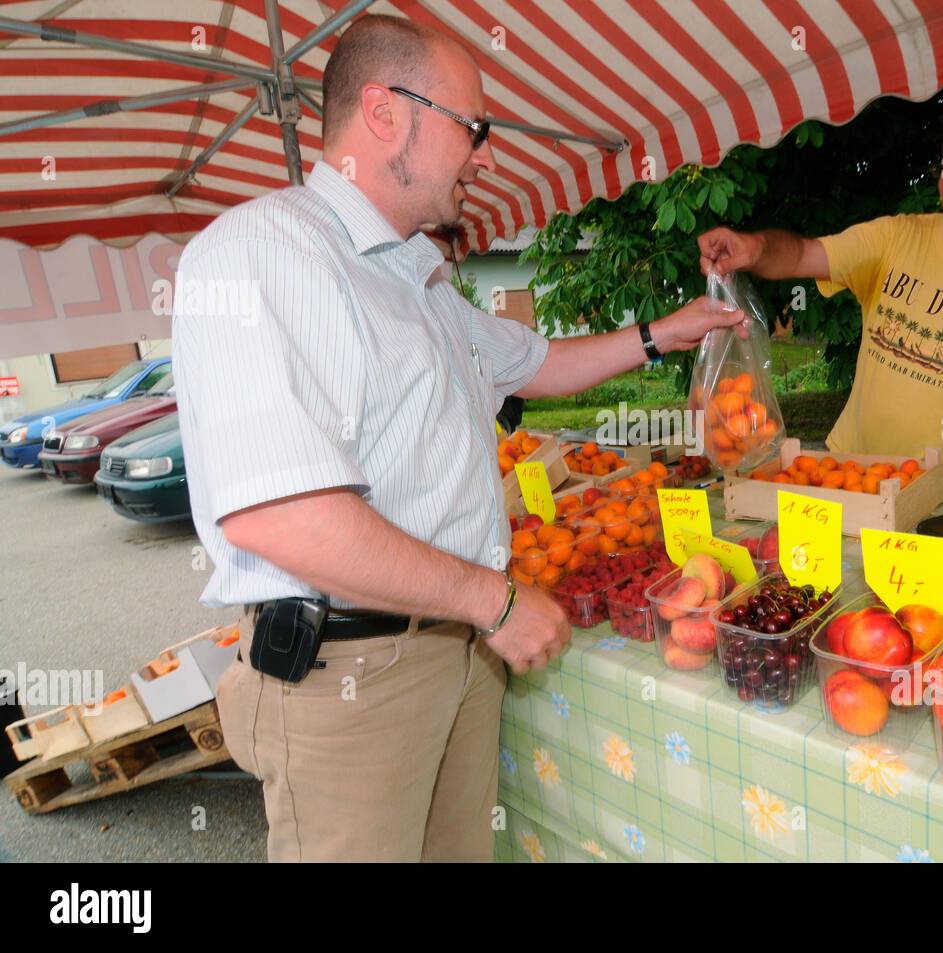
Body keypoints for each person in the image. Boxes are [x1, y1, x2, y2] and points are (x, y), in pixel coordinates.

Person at [172, 15, 742, 863]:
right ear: (384, 111)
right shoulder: (262, 254)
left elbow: (540, 363)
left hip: (456, 653)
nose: (486, 155)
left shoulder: (420, 282)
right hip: (351, 677)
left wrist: (669, 331)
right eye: (474, 128)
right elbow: (282, 517)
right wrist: (499, 602)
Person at [698, 106, 943, 480]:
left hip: (936, 487)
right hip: (844, 471)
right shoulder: (894, 237)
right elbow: (802, 255)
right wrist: (755, 248)